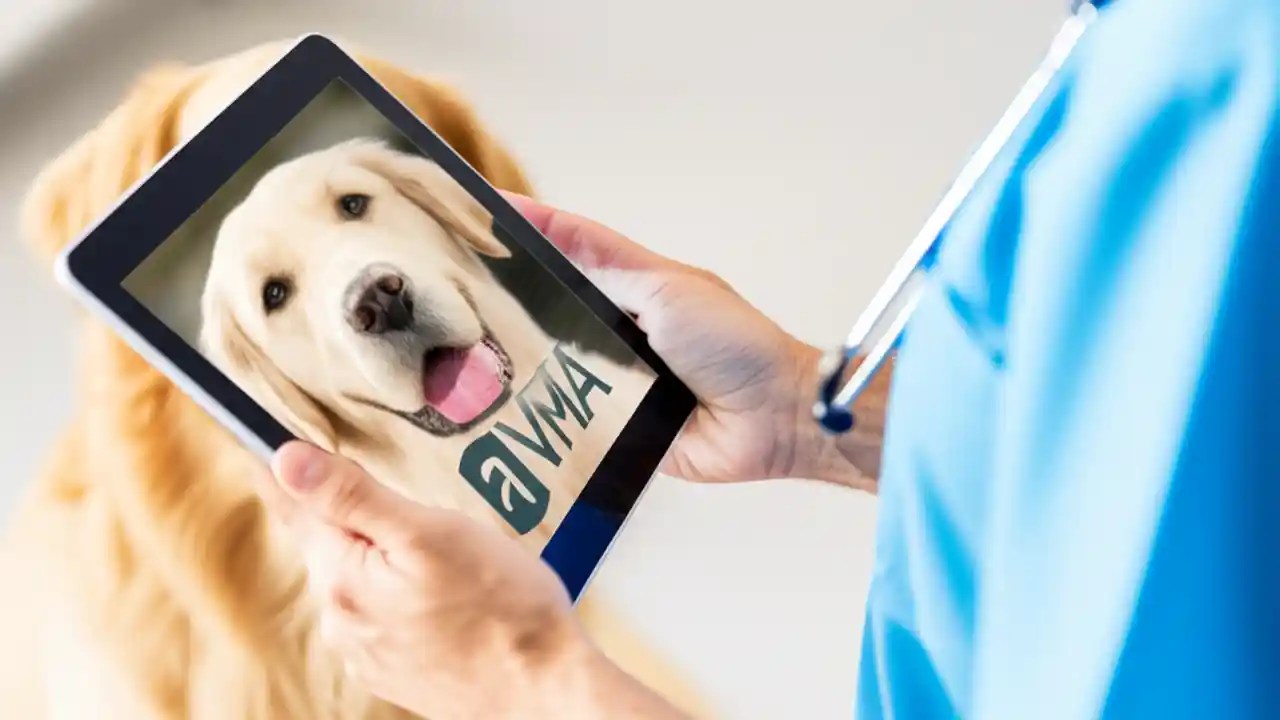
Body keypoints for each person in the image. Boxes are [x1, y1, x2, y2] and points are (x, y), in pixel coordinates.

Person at [254, 0, 1280, 716]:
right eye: (273, 296)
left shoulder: (1232, 83)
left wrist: (525, 683)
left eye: (355, 207)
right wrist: (811, 413)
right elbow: (1197, 465)